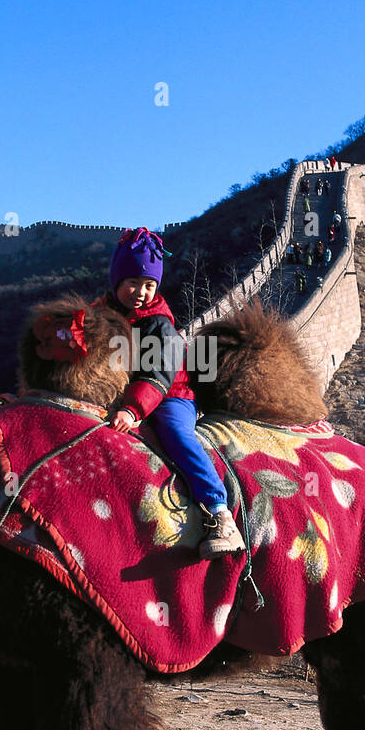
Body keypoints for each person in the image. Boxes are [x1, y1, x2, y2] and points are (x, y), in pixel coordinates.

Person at [102, 228, 245, 559]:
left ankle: (219, 511)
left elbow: (156, 375)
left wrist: (132, 410)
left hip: (169, 394)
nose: (141, 292)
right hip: (124, 391)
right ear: (116, 280)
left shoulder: (158, 325)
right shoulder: (103, 315)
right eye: (133, 282)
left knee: (176, 434)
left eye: (149, 285)